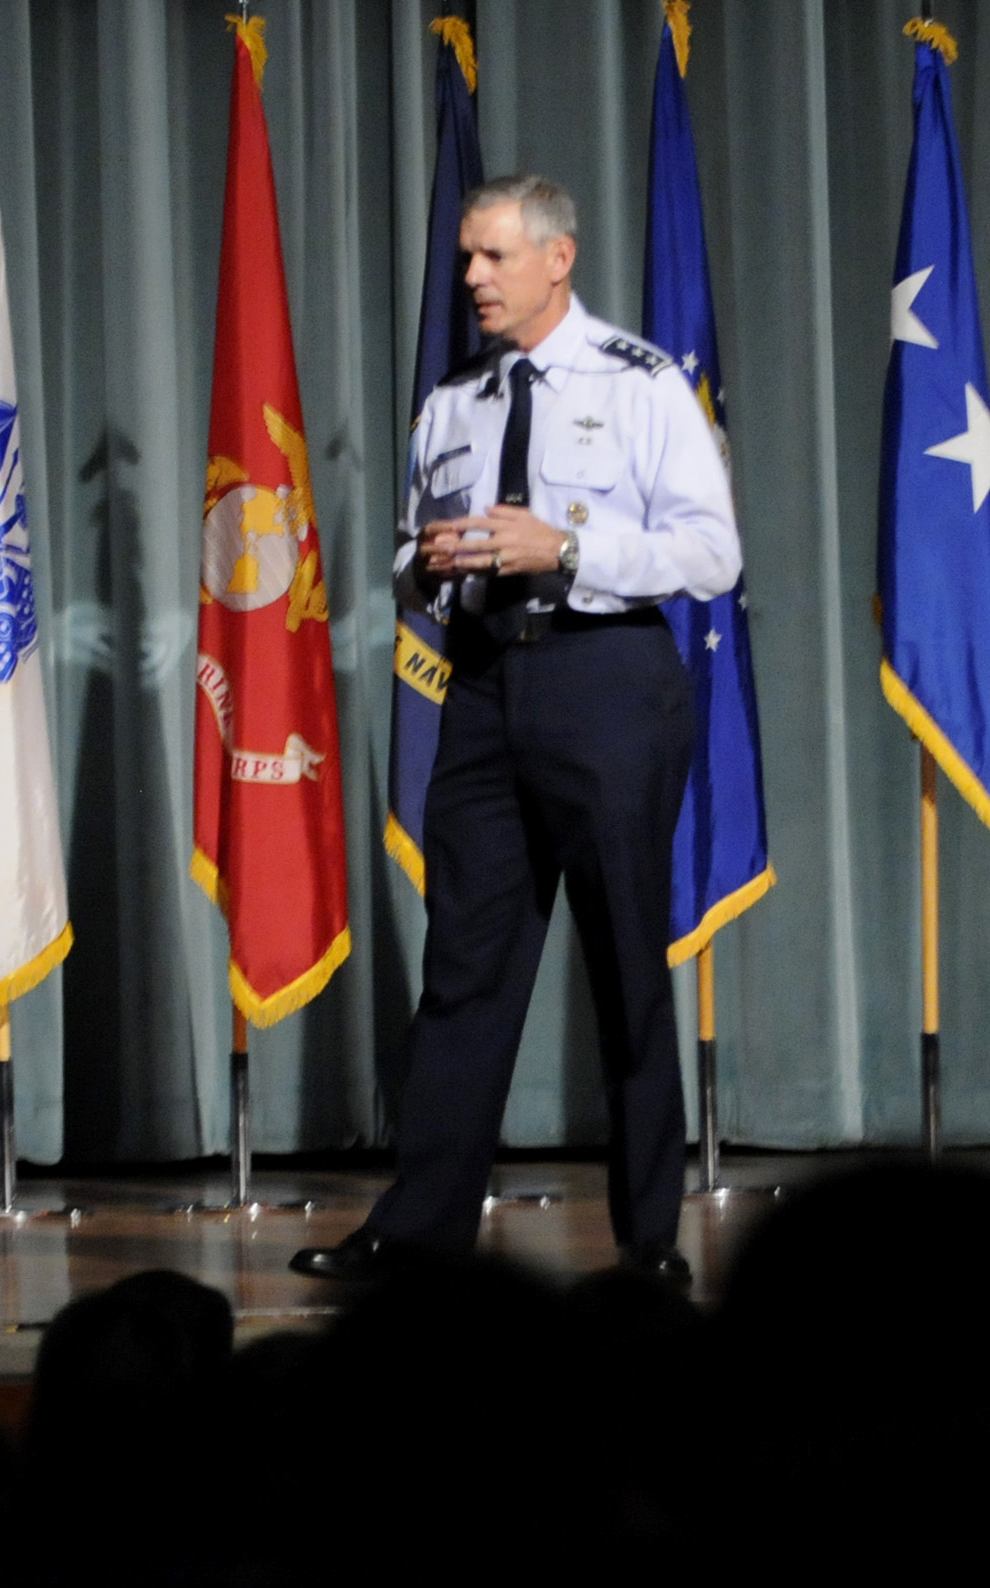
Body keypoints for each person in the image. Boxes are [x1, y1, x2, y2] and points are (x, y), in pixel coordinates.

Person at [294, 173, 739, 1286]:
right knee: (465, 969)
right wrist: (427, 564)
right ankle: (416, 1230)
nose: (471, 279)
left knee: (626, 963)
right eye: (464, 259)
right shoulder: (454, 399)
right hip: (484, 690)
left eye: (491, 257)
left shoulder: (637, 384)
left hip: (606, 684)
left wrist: (572, 550)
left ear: (557, 258)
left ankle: (645, 1246)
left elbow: (709, 551)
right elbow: (405, 556)